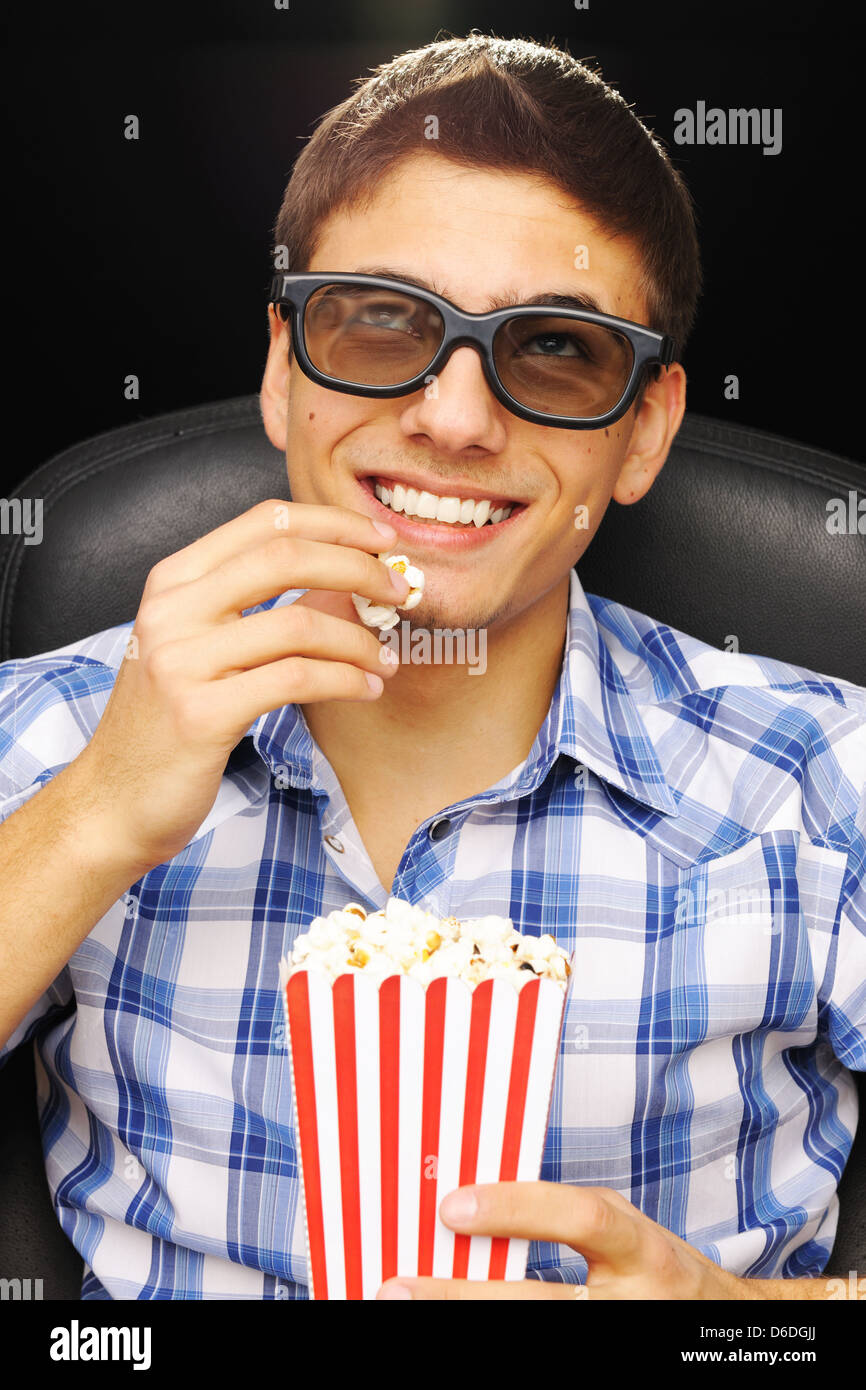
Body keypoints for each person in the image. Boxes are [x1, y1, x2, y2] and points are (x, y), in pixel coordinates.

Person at [1, 33, 863, 1302]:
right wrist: (94, 812)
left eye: (554, 348)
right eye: (381, 322)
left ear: (644, 432)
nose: (454, 418)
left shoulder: (820, 776)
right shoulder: (47, 730)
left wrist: (737, 1327)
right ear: (283, 371)